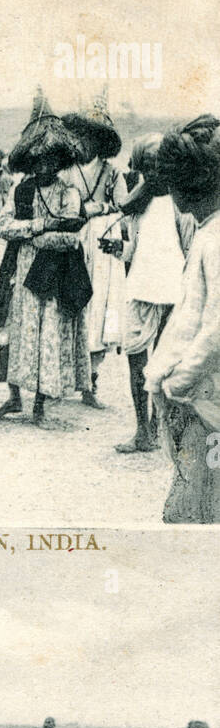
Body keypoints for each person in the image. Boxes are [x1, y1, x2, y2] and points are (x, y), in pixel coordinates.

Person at [0, 89, 91, 427]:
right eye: (38, 159)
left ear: (59, 160)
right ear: (30, 159)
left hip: (53, 272)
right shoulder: (20, 189)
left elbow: (73, 234)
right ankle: (14, 397)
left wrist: (43, 238)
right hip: (18, 267)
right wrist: (39, 226)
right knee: (13, 328)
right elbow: (4, 224)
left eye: (51, 160)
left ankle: (40, 403)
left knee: (46, 331)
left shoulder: (69, 192)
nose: (45, 165)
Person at [147, 116, 220, 522]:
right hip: (200, 392)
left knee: (193, 511)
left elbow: (216, 326)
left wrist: (177, 380)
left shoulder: (214, 238)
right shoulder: (206, 232)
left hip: (204, 396)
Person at [115, 133, 193, 454]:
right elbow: (133, 250)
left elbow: (189, 249)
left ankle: (156, 429)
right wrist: (118, 249)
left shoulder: (180, 205)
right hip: (141, 288)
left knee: (163, 365)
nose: (152, 174)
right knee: (138, 362)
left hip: (171, 293)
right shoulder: (140, 203)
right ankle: (142, 430)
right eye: (149, 168)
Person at [62, 88, 126, 408]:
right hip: (72, 241)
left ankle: (91, 382)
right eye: (82, 136)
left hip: (100, 247)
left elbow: (123, 207)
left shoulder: (113, 173)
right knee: (70, 305)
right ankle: (64, 377)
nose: (85, 143)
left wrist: (101, 210)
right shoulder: (66, 171)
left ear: (102, 142)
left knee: (101, 310)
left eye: (93, 137)